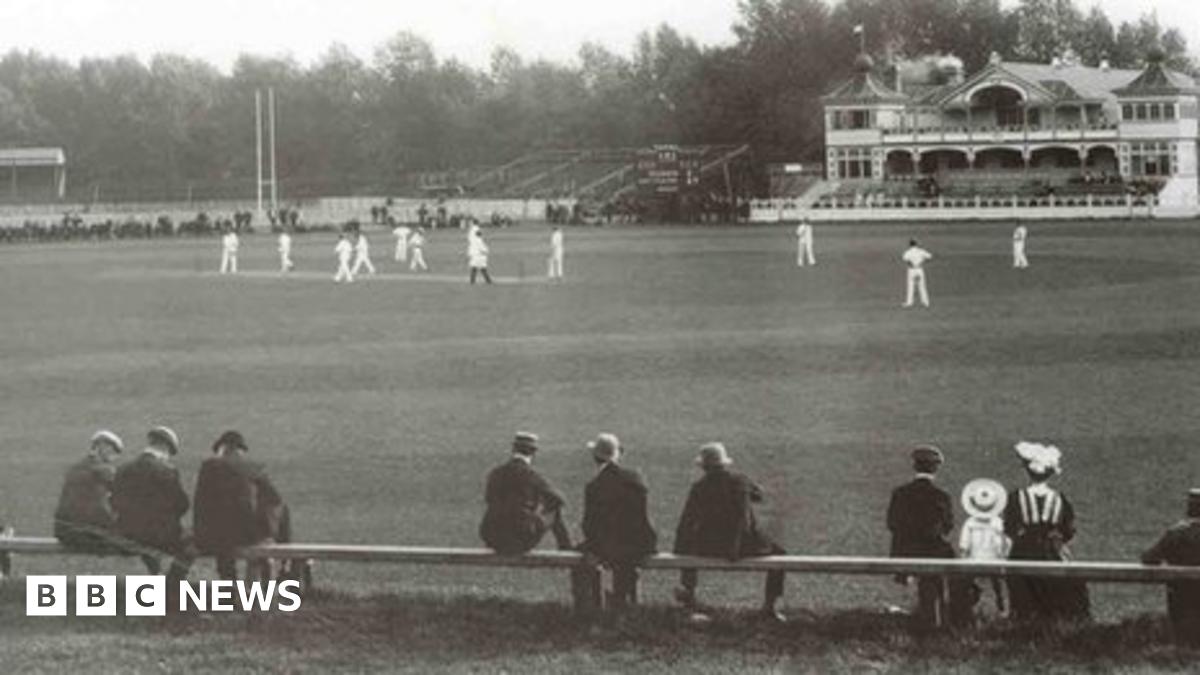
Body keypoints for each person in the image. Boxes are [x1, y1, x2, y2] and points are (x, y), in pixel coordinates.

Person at [673, 442, 787, 622]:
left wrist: (678, 549)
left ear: (703, 466)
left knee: (689, 545)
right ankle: (769, 607)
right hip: (744, 546)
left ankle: (690, 598)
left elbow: (687, 522)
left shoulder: (699, 487)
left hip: (710, 545)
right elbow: (758, 498)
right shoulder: (740, 480)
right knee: (780, 554)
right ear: (725, 463)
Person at [1003, 441, 1090, 622]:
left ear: (1028, 471)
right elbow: (1069, 529)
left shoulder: (1016, 497)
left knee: (1023, 602)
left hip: (1023, 551)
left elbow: (1009, 527)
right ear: (1050, 474)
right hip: (1051, 551)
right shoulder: (1059, 498)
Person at [193, 431, 292, 581]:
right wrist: (267, 532)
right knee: (281, 510)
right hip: (247, 535)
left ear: (220, 449)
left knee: (223, 537)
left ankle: (229, 590)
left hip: (214, 536)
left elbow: (200, 505)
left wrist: (199, 533)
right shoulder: (253, 468)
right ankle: (283, 566)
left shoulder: (208, 467)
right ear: (240, 450)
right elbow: (276, 501)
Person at [578, 433, 657, 608]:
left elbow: (589, 524)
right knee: (625, 557)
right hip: (641, 543)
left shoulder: (594, 486)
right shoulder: (636, 478)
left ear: (595, 457)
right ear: (619, 453)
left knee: (583, 555)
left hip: (610, 546)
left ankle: (589, 606)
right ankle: (620, 600)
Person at [886, 445, 957, 630]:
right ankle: (936, 621)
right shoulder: (941, 496)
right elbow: (948, 526)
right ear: (935, 469)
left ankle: (922, 619)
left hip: (905, 551)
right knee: (937, 579)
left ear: (915, 466)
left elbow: (892, 523)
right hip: (933, 552)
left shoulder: (899, 493)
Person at [112, 426, 193, 585]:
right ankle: (171, 585)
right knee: (191, 546)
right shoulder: (167, 470)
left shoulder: (123, 469)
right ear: (165, 448)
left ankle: (156, 575)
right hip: (158, 535)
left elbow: (115, 502)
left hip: (127, 533)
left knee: (145, 533)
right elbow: (182, 504)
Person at [479, 432, 572, 554]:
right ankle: (567, 549)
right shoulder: (532, 476)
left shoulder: (495, 473)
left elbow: (489, 499)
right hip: (520, 541)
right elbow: (559, 500)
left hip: (492, 538)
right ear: (533, 453)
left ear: (513, 450)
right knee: (554, 510)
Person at [1142, 488, 1200, 645]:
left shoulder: (1176, 533)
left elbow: (1149, 558)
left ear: (1189, 508)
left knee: (1183, 636)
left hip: (1181, 595)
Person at [53, 430, 123, 553]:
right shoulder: (103, 470)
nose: (113, 457)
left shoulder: (74, 468)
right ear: (102, 447)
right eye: (112, 451)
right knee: (138, 543)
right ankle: (157, 571)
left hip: (63, 531)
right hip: (84, 532)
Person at [958, 478, 1011, 620]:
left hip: (974, 561)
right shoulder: (999, 523)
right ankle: (1002, 610)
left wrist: (963, 563)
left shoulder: (969, 523)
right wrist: (1003, 557)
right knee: (999, 586)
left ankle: (969, 610)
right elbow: (1007, 544)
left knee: (969, 586)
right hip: (995, 562)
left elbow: (964, 546)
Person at [902, 239, 932, 308]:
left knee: (910, 286)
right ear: (916, 244)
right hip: (920, 269)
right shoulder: (920, 251)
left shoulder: (908, 252)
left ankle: (909, 302)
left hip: (911, 270)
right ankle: (926, 302)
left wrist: (911, 263)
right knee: (922, 286)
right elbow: (930, 256)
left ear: (910, 245)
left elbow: (905, 259)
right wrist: (923, 261)